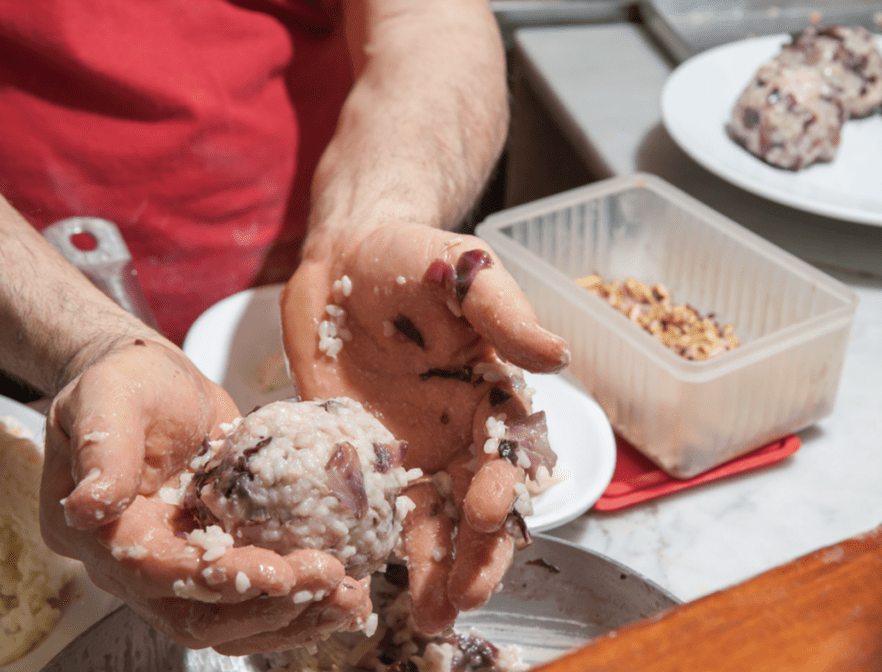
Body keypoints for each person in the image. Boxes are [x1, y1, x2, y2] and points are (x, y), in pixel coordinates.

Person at [0, 0, 570, 656]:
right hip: (25, 316)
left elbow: (428, 18)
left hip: (312, 272)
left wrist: (374, 216)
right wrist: (82, 342)